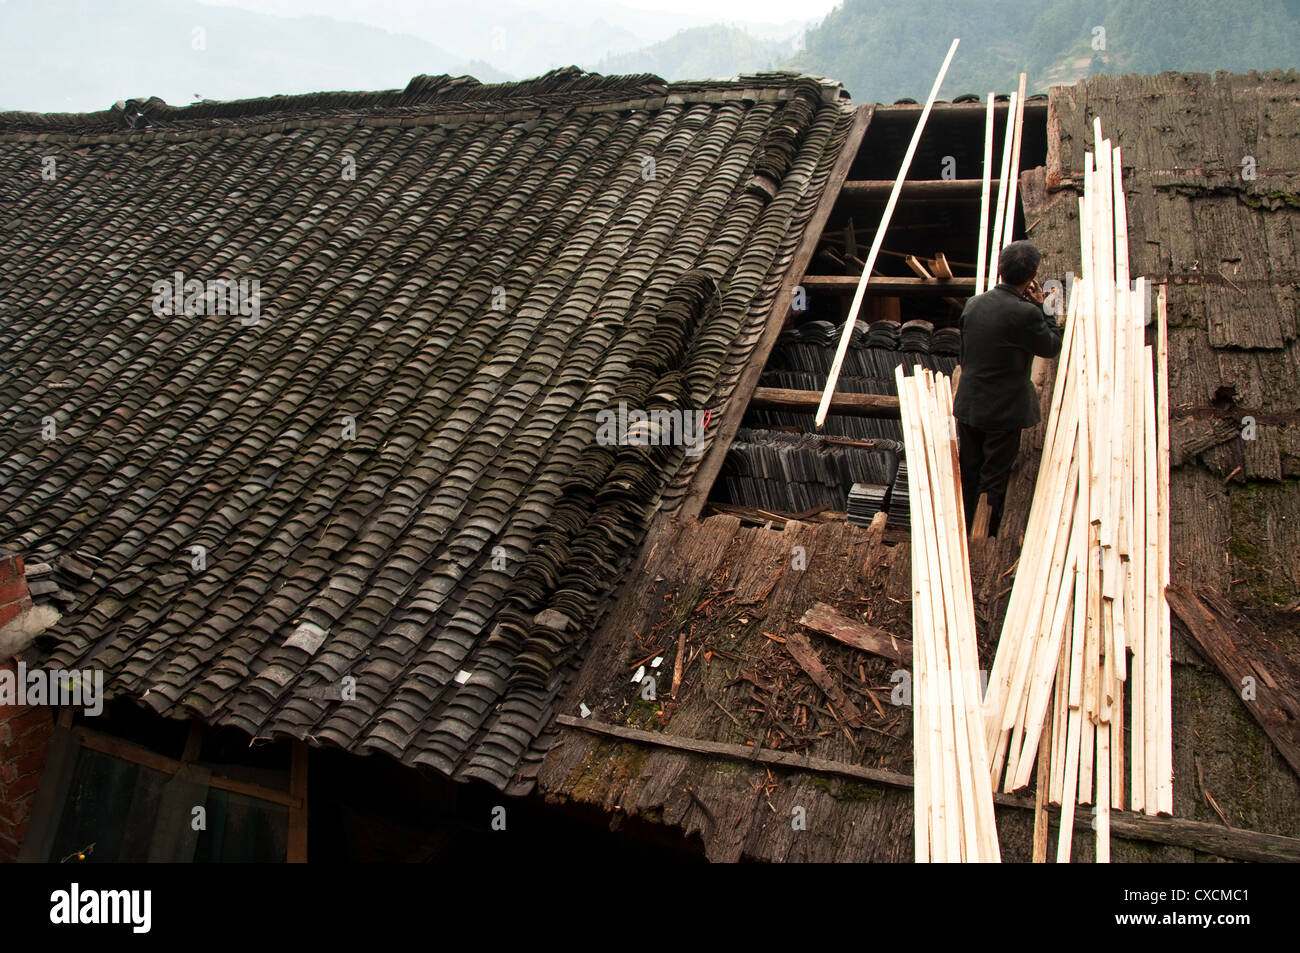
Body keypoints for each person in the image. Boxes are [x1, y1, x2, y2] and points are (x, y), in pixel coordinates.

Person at [952, 240, 1063, 536]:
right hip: (1003, 409)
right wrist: (1044, 309)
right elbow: (1051, 346)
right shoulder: (1026, 313)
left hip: (970, 403)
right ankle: (986, 535)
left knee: (970, 470)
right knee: (994, 477)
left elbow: (963, 355)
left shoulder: (974, 304)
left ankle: (963, 531)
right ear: (1032, 276)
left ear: (1000, 270)